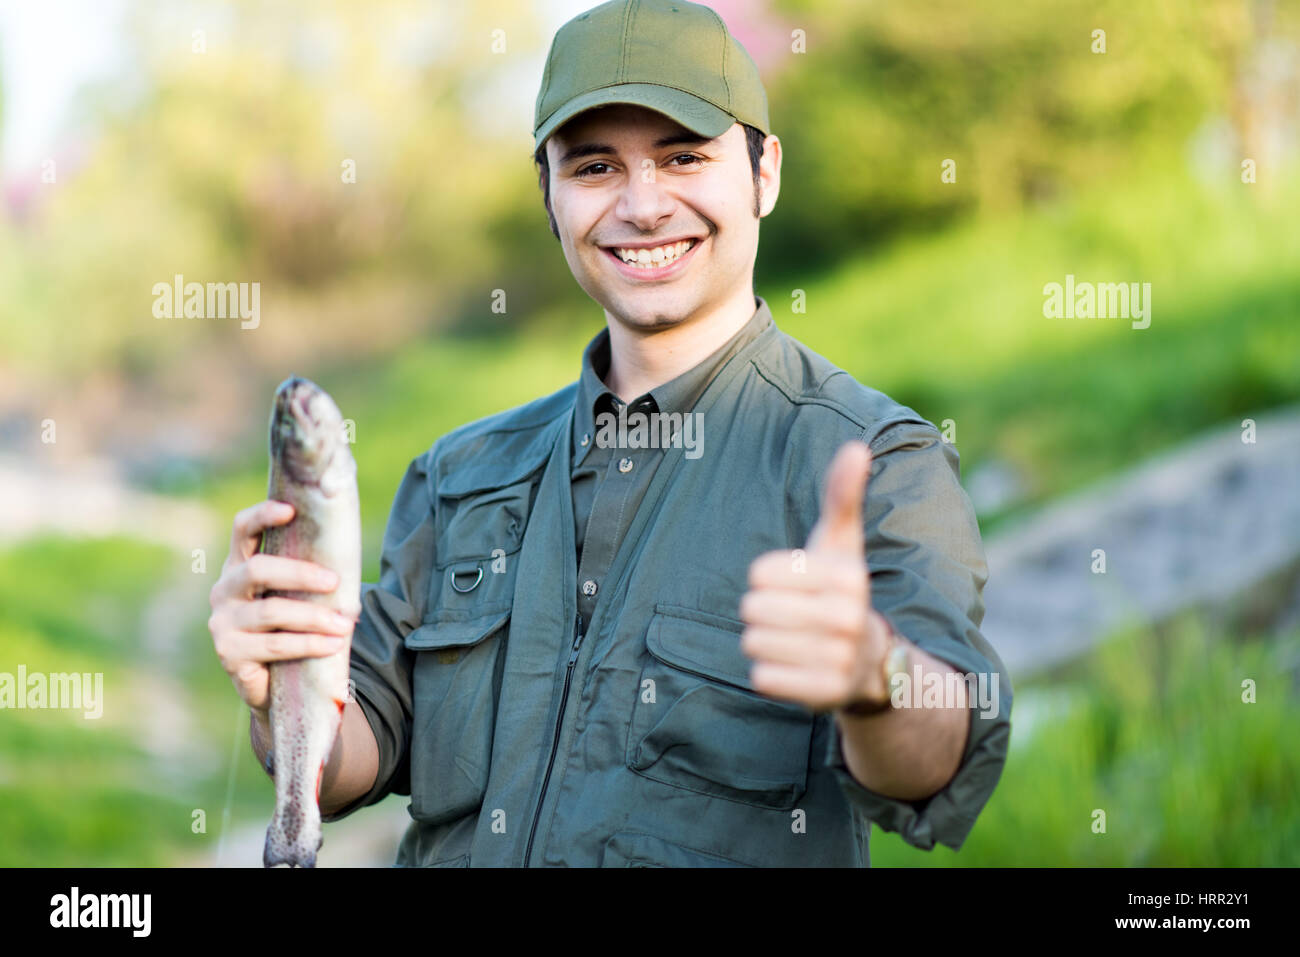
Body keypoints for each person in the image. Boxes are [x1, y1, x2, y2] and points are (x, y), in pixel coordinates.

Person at [208, 0, 1011, 867]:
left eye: (684, 157)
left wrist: (874, 673)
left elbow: (942, 754)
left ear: (764, 172)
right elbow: (356, 752)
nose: (642, 205)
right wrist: (280, 688)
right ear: (550, 196)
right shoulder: (460, 473)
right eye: (594, 166)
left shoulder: (873, 461)